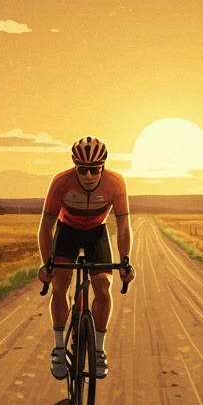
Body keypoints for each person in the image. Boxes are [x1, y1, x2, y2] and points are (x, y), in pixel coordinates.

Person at [37, 136, 135, 380]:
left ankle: (99, 350)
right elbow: (46, 227)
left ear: (103, 166)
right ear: (74, 165)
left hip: (96, 233)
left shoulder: (115, 183)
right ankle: (59, 349)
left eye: (95, 169)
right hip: (67, 231)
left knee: (103, 287)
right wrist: (47, 263)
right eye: (83, 169)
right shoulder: (61, 182)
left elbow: (123, 226)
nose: (89, 175)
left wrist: (125, 262)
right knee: (60, 285)